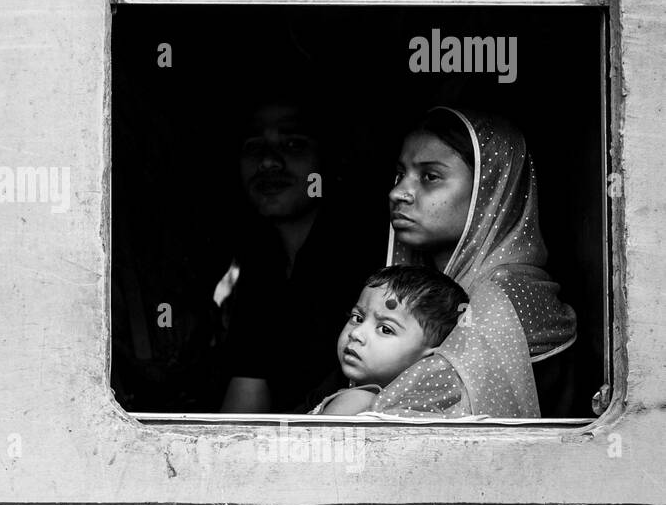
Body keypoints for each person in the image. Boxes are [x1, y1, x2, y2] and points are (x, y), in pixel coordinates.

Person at [371, 107, 577, 418]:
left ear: (488, 190)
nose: (398, 192)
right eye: (401, 174)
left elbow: (394, 411)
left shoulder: (514, 296)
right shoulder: (432, 284)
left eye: (430, 177)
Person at [216, 100, 386, 413]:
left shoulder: (370, 260)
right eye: (254, 146)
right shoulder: (260, 258)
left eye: (293, 144)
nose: (268, 162)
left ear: (330, 157)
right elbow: (248, 384)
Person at [312, 266, 469, 415]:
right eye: (357, 318)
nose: (356, 333)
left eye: (385, 329)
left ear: (430, 360)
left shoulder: (359, 400)